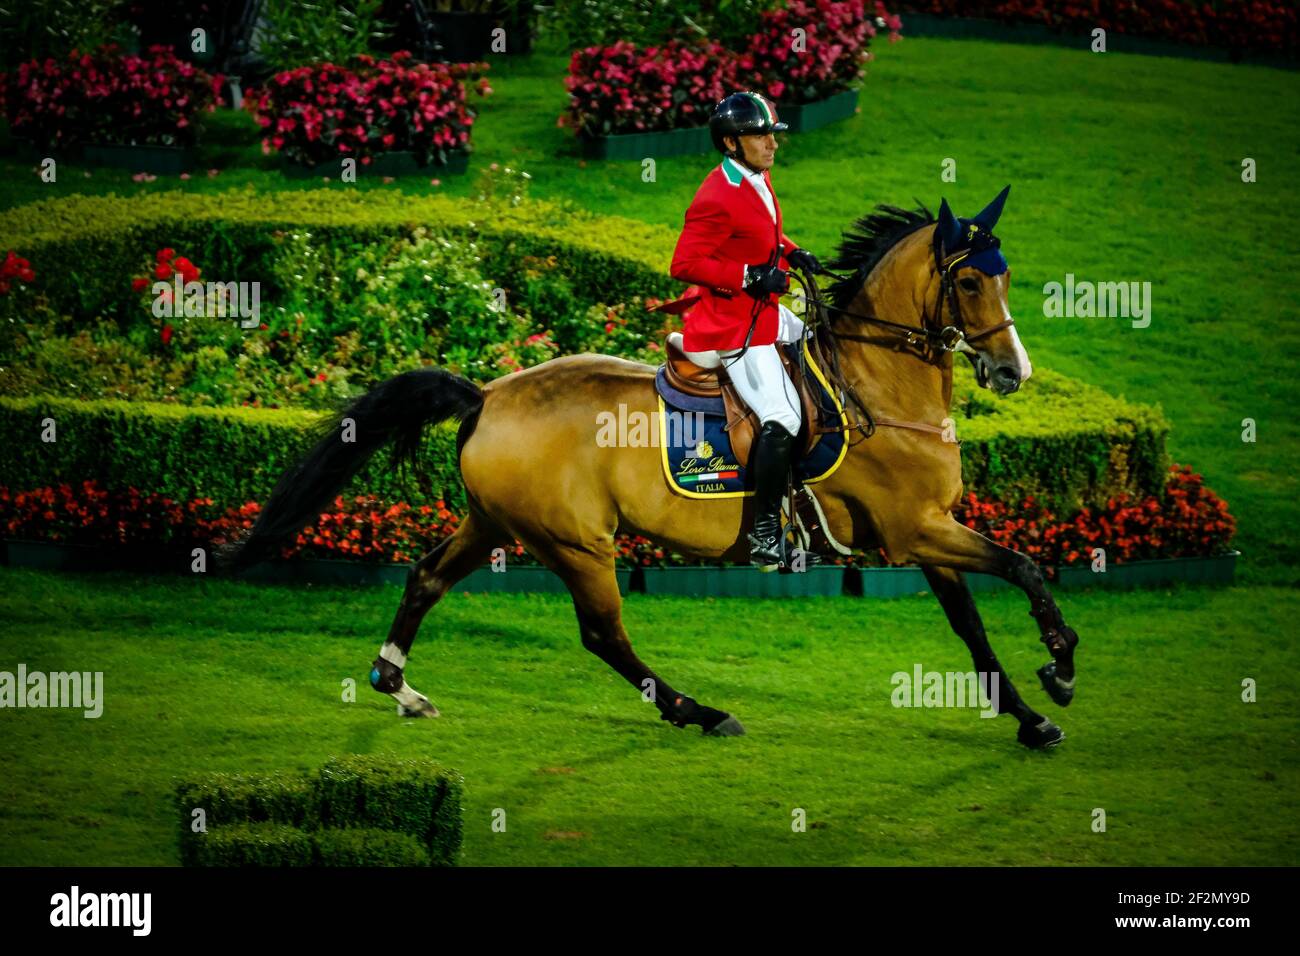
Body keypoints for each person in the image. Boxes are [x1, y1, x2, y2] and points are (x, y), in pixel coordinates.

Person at [667, 90, 822, 570]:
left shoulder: (755, 176)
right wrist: (751, 276)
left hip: (765, 313)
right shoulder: (716, 194)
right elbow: (685, 263)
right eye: (761, 136)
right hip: (733, 325)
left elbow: (761, 230)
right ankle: (763, 534)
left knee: (821, 352)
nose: (772, 143)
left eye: (773, 134)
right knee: (785, 417)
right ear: (732, 142)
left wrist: (791, 251)